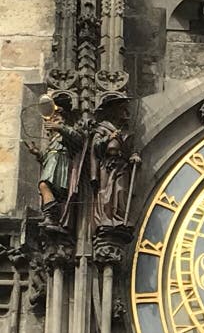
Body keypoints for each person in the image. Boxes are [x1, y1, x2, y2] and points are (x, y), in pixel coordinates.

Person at [25, 93, 84, 228]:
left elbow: (78, 140)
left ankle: (53, 216)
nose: (53, 121)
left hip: (61, 163)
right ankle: (51, 217)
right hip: (52, 163)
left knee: (44, 185)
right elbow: (46, 158)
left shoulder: (66, 135)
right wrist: (37, 154)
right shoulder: (53, 141)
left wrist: (60, 128)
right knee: (44, 186)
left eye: (57, 119)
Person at [90, 93, 140, 232]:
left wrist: (134, 156)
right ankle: (106, 217)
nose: (126, 112)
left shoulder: (125, 131)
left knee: (120, 190)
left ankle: (119, 217)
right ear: (113, 111)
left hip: (122, 165)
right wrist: (108, 139)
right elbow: (95, 147)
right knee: (106, 192)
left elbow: (130, 149)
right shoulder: (102, 128)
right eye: (122, 109)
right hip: (107, 165)